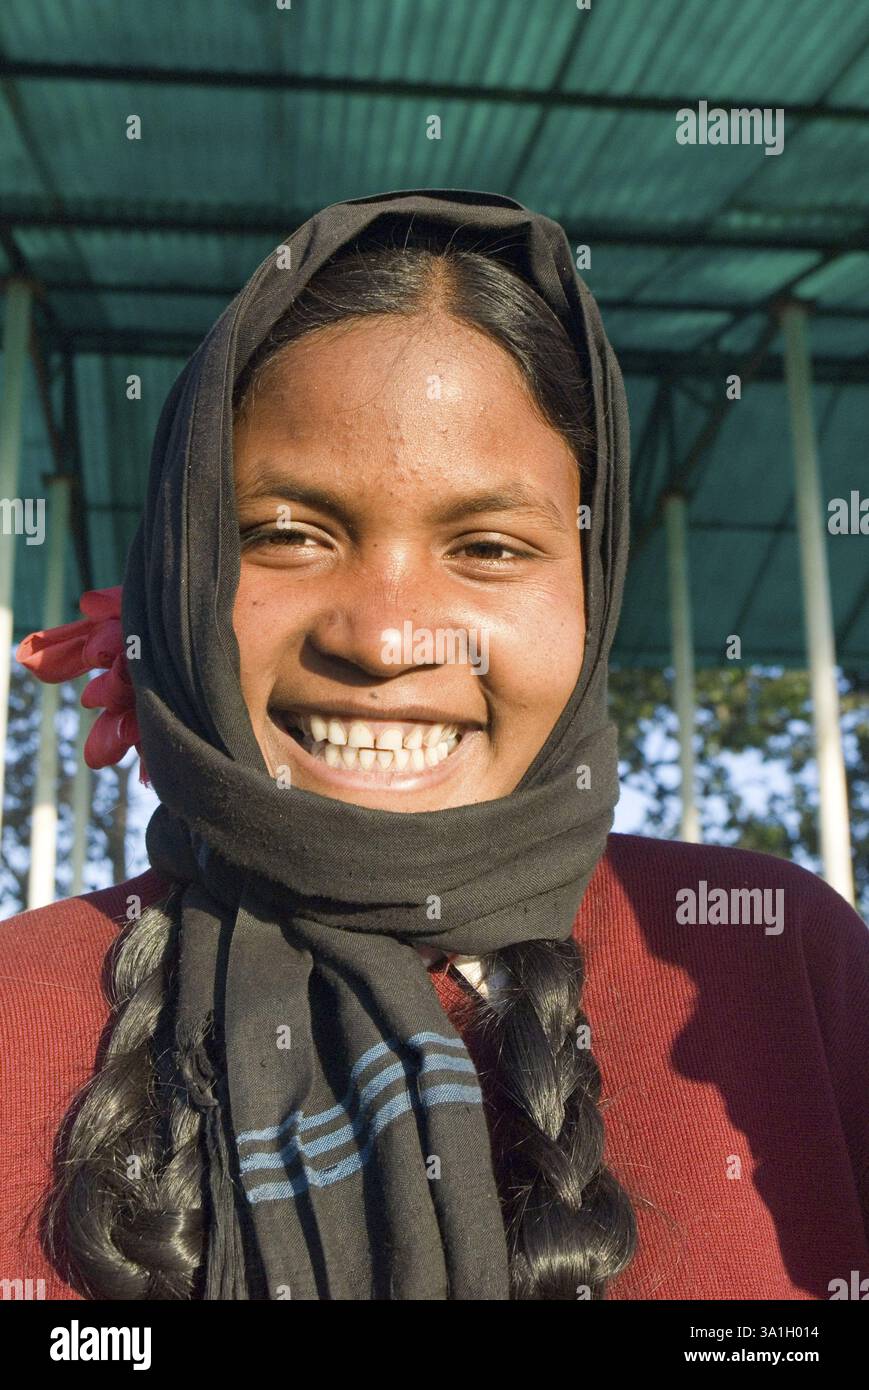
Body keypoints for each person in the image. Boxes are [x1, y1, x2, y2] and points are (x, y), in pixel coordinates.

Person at [2, 189, 867, 1302]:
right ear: (179, 581)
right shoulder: (22, 1010)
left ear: (590, 592)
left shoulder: (770, 972)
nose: (385, 636)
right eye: (288, 534)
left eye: (490, 547)